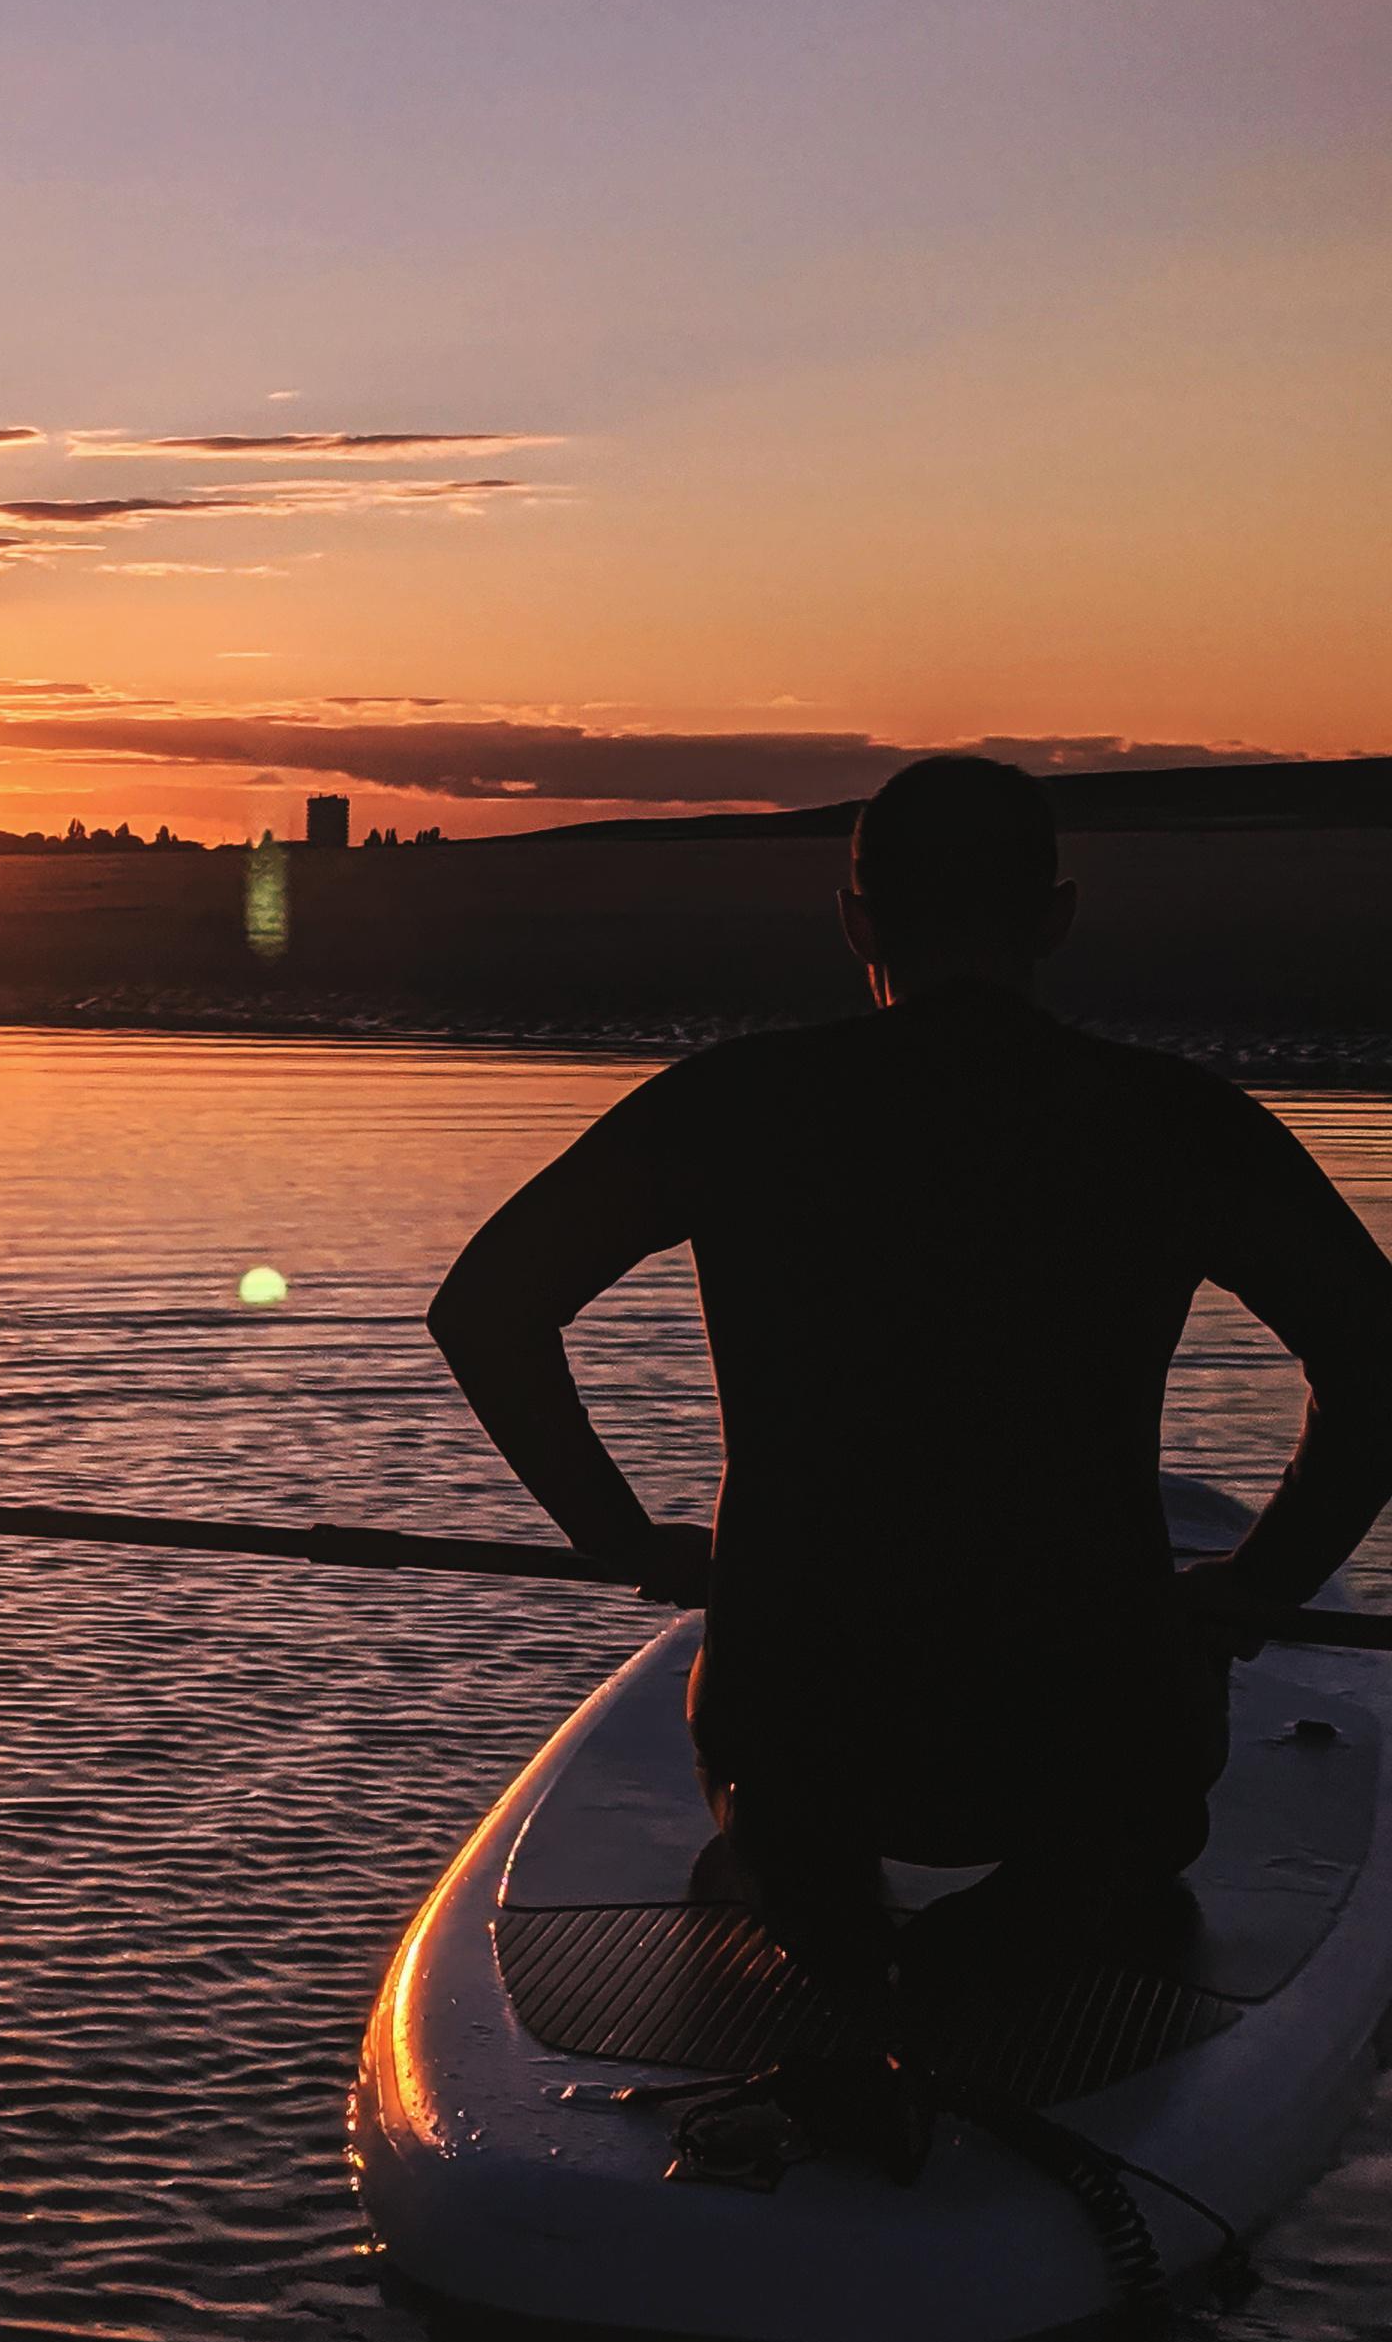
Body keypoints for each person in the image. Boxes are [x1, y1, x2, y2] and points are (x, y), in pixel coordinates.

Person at [426, 755, 1392, 2011]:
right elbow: (1377, 1360)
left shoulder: (740, 1102)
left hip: (803, 1715)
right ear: (1056, 918)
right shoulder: (1177, 1121)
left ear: (855, 922)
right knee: (1135, 1780)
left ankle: (812, 1895)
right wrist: (1254, 1591)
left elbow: (489, 1310)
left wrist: (621, 1536)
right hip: (1087, 1716)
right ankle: (1049, 1908)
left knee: (778, 1777)